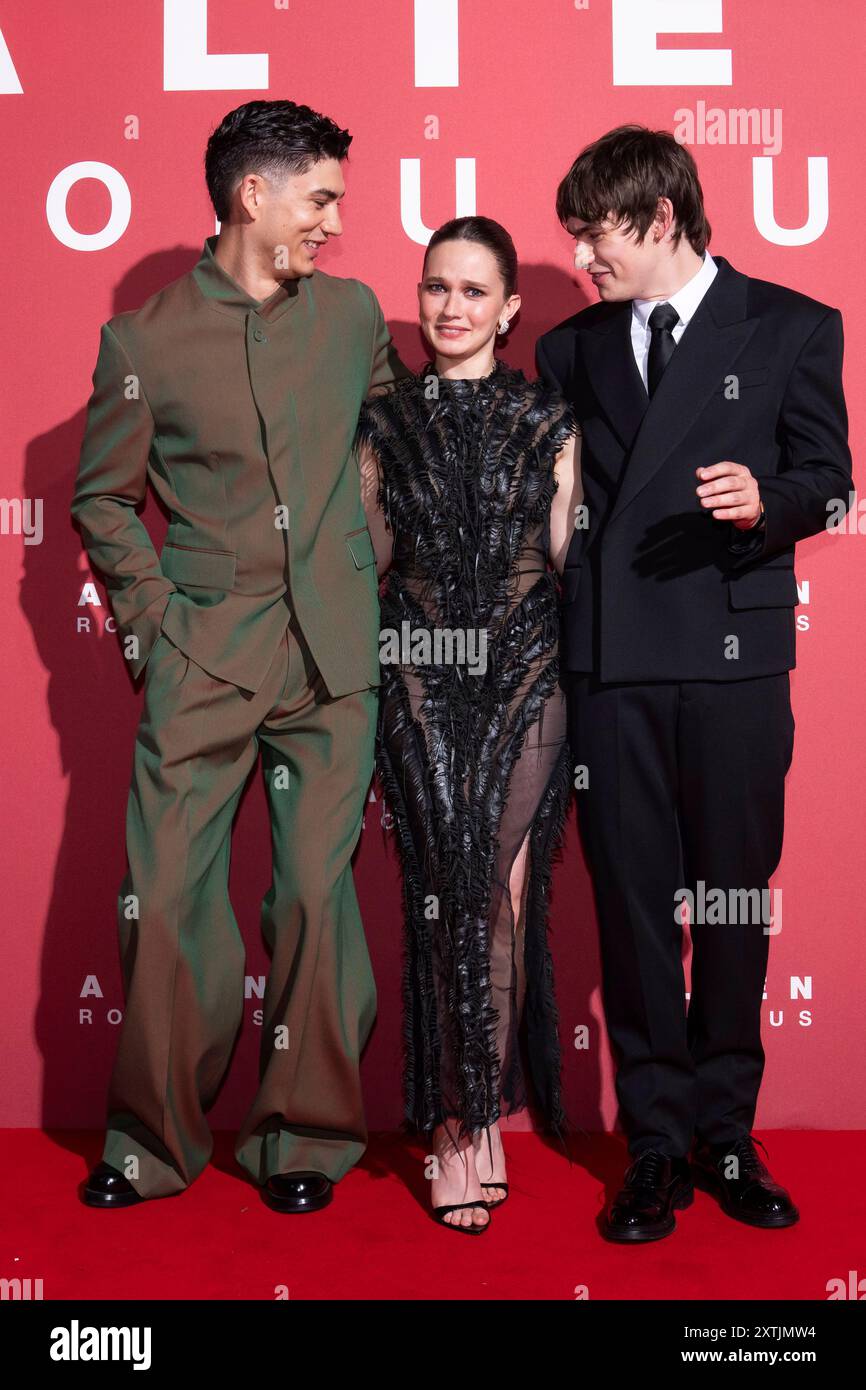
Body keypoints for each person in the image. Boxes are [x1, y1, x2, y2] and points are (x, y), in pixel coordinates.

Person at [72, 99, 410, 1214]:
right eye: (320, 198)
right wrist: (156, 623)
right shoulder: (144, 341)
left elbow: (384, 437)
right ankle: (150, 1143)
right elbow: (104, 500)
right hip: (203, 652)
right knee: (165, 900)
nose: (334, 222)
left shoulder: (355, 314)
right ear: (250, 195)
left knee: (314, 896)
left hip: (331, 657)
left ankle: (302, 1138)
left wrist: (363, 551)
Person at [536, 125, 852, 1242]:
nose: (581, 259)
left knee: (726, 903)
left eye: (596, 234)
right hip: (613, 662)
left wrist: (763, 502)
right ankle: (656, 1145)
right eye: (574, 238)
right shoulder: (568, 351)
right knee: (628, 913)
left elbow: (830, 483)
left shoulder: (790, 326)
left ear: (661, 216)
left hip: (730, 660)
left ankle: (727, 1131)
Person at [354, 217, 582, 1232]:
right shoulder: (381, 424)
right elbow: (366, 569)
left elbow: (573, 570)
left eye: (472, 291)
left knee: (497, 895)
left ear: (508, 308)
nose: (450, 308)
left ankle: (481, 1120)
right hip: (414, 676)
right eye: (434, 287)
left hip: (526, 680)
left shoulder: (549, 424)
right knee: (441, 892)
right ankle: (451, 1127)